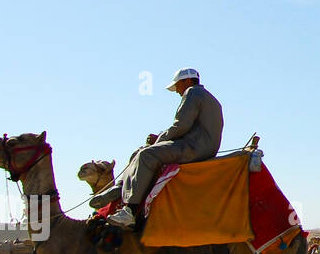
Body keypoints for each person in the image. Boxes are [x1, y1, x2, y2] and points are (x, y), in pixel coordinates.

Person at [91, 68, 224, 229]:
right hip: (201, 146)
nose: (177, 91)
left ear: (187, 81)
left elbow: (181, 125)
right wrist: (161, 138)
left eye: (177, 86)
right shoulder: (209, 98)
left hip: (193, 147)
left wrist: (159, 141)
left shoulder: (192, 93)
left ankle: (129, 211)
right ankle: (120, 188)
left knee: (145, 155)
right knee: (138, 153)